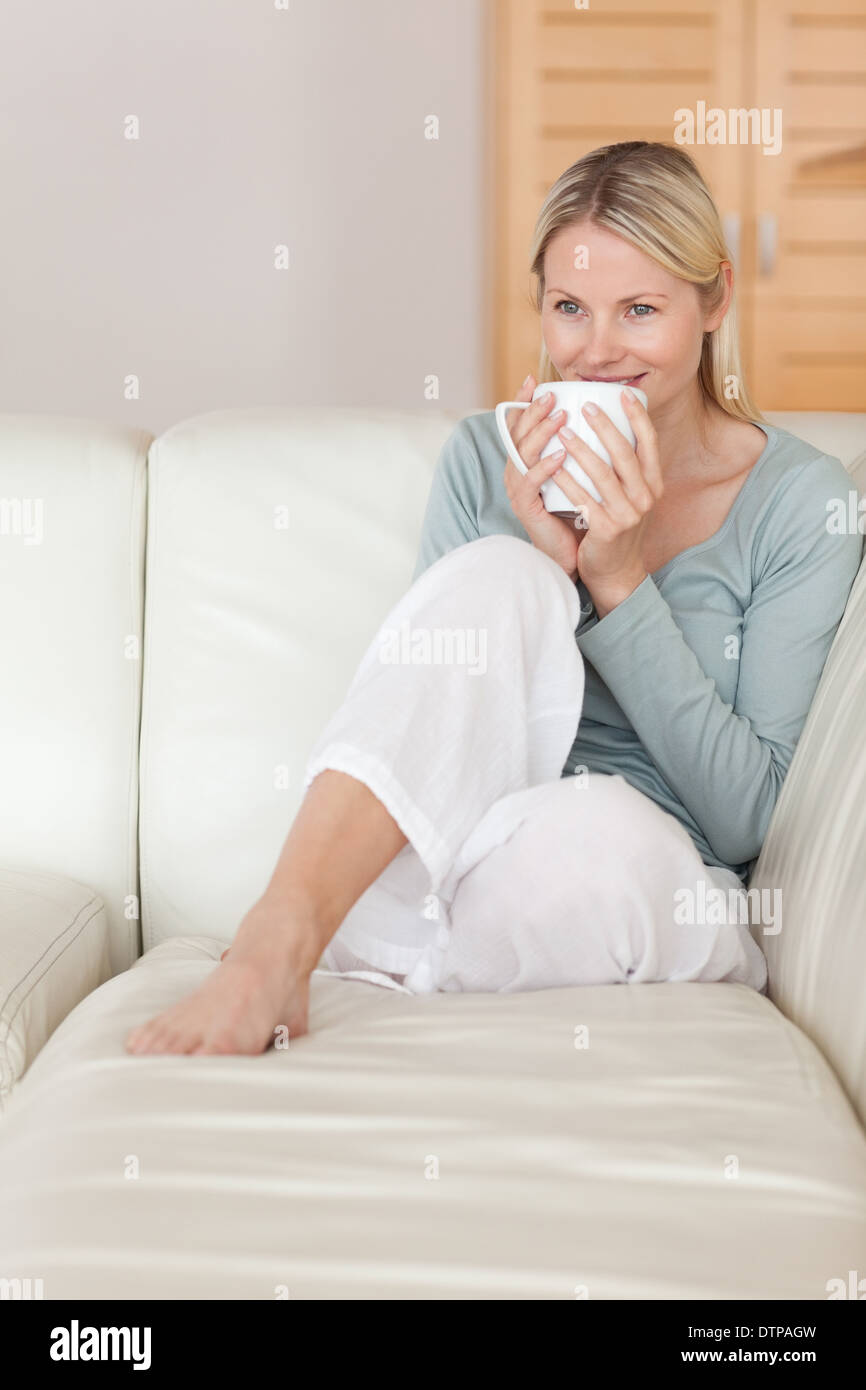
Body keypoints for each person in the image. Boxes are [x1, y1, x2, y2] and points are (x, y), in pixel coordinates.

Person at [125, 140, 862, 1057]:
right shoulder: (487, 457)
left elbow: (746, 817)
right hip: (460, 855)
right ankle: (278, 938)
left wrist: (618, 578)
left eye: (640, 310)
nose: (596, 352)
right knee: (500, 576)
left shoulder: (805, 504)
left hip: (641, 875)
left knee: (599, 831)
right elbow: (434, 719)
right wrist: (543, 560)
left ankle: (373, 962)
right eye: (569, 309)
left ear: (713, 300)